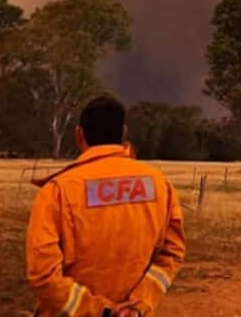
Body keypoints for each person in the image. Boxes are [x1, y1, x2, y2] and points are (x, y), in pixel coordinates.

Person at [26, 95, 186, 317]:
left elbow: (43, 275)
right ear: (123, 133)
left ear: (79, 135)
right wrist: (139, 303)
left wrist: (102, 311)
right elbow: (172, 253)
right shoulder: (159, 184)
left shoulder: (57, 191)